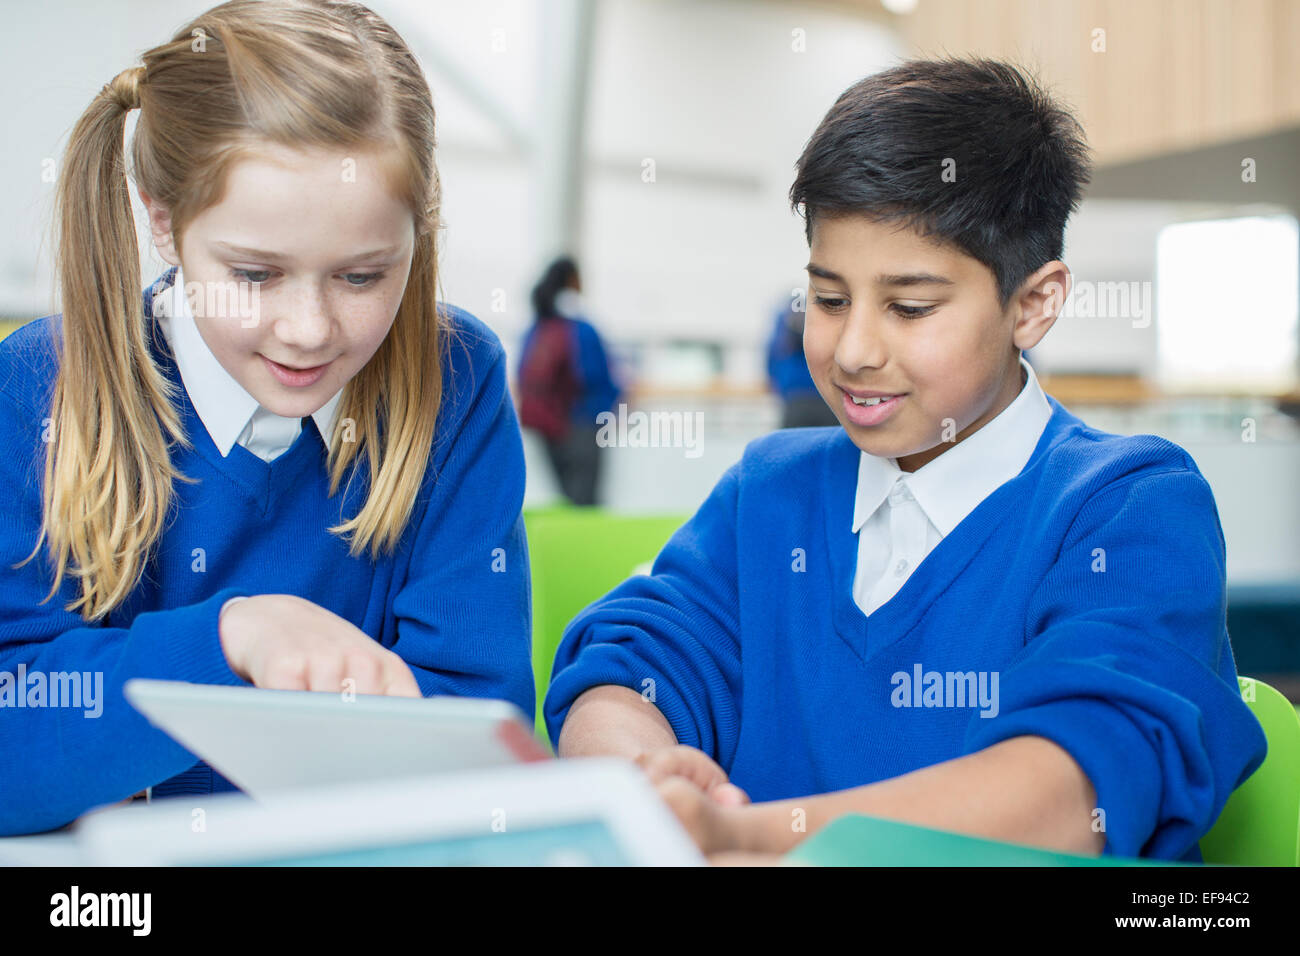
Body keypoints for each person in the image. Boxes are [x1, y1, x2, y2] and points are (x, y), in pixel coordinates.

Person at [544, 58, 1265, 862]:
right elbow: (631, 662)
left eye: (910, 307)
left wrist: (745, 837)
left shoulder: (1126, 506)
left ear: (1034, 303)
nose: (853, 350)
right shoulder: (769, 493)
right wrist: (646, 787)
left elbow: (1074, 791)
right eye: (828, 298)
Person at [0, 0, 532, 836]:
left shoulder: (457, 384)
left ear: (419, 232)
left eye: (362, 277)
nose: (310, 329)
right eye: (253, 274)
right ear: (164, 221)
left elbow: (477, 738)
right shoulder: (41, 387)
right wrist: (230, 641)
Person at [517, 256, 619, 505]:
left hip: (547, 428)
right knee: (586, 503)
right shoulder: (582, 330)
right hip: (583, 424)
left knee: (568, 500)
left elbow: (522, 375)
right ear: (572, 281)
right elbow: (597, 377)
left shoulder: (537, 330)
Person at [765, 298, 839, 428]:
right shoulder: (823, 325)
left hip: (796, 398)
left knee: (791, 444)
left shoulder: (782, 329)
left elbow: (771, 360)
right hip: (822, 399)